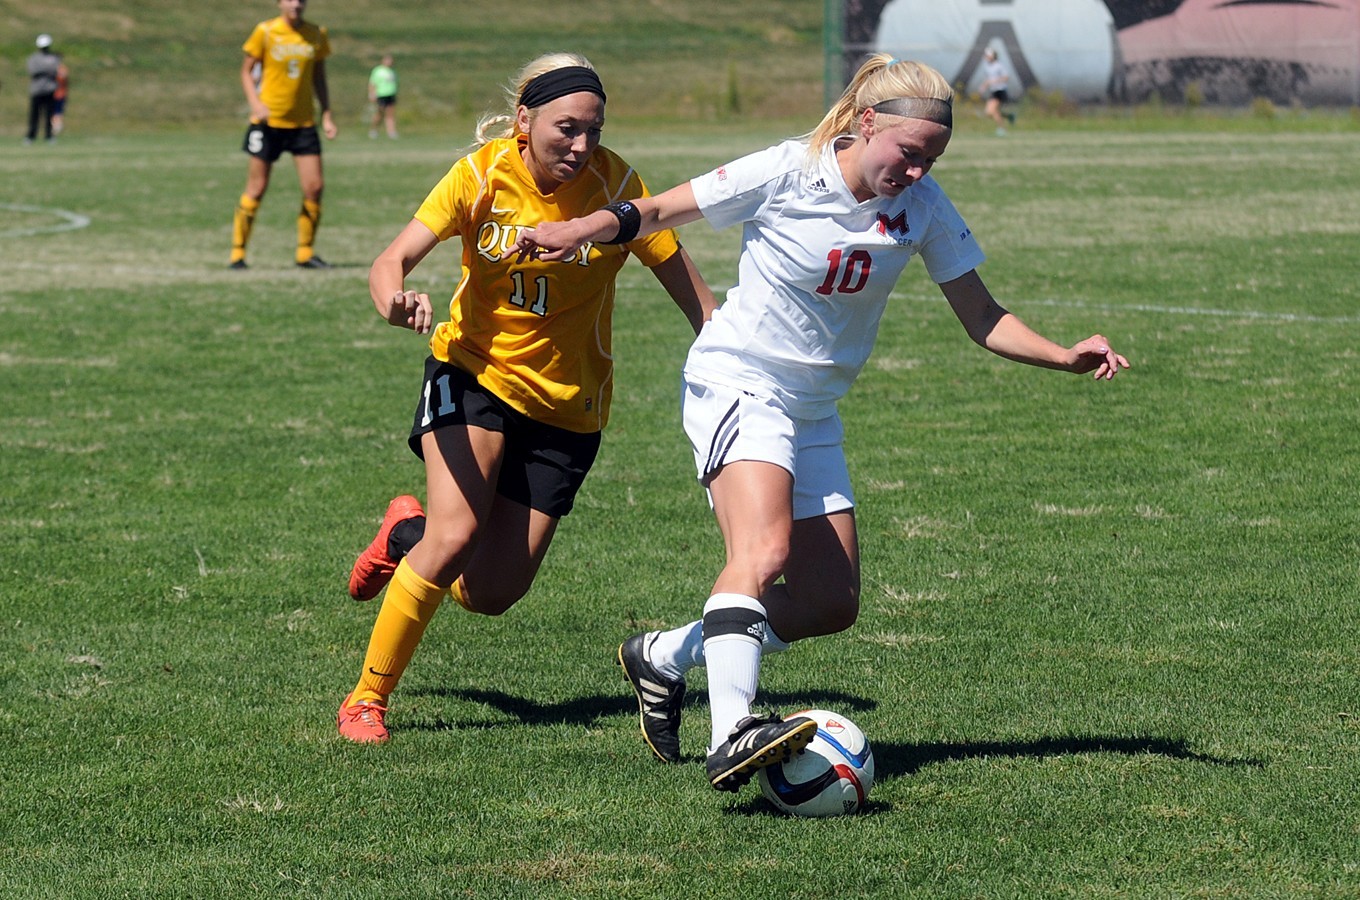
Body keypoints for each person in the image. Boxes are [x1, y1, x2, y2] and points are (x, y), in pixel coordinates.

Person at [510, 54, 1130, 793]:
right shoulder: (785, 171)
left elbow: (983, 317)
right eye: (909, 154)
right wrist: (579, 226)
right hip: (738, 379)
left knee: (828, 603)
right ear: (868, 123)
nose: (919, 173)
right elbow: (659, 211)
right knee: (763, 549)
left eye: (933, 159)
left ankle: (664, 656)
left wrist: (1063, 355)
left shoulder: (924, 210)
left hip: (811, 407)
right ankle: (733, 730)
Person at [336, 52, 718, 744]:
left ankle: (403, 535)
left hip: (568, 409)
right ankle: (367, 698)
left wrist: (722, 344)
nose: (580, 145)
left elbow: (682, 277)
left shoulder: (616, 184)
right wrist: (392, 299)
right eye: (566, 128)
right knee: (457, 536)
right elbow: (392, 260)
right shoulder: (481, 174)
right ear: (524, 120)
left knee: (490, 593)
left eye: (593, 131)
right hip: (471, 372)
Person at [229, 0, 337, 270]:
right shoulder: (265, 32)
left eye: (301, 0)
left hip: (303, 124)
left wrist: (326, 113)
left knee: (315, 187)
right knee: (256, 188)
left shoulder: (316, 34)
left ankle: (305, 253)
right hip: (268, 123)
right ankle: (238, 253)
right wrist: (255, 103)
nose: (296, 4)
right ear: (280, 2)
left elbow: (319, 77)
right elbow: (245, 71)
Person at [25, 34, 60, 145]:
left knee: (49, 115)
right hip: (37, 90)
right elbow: (33, 71)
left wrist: (44, 70)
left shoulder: (53, 57)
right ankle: (31, 136)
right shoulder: (34, 58)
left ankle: (49, 136)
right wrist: (47, 69)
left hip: (49, 90)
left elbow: (55, 70)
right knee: (34, 115)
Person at [980, 48, 1016, 135]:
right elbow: (989, 79)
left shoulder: (999, 66)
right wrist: (984, 86)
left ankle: (1002, 129)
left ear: (993, 56)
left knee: (992, 111)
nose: (986, 57)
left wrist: (994, 81)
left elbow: (1006, 77)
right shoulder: (987, 67)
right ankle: (1009, 116)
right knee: (988, 113)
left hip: (1000, 90)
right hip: (994, 91)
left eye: (988, 55)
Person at [368, 54, 398, 139]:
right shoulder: (378, 71)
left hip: (390, 94)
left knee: (390, 114)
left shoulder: (392, 71)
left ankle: (391, 132)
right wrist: (372, 94)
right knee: (380, 113)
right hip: (381, 95)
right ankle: (373, 130)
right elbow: (372, 83)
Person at [51, 57, 69, 136]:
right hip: (51, 95)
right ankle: (54, 127)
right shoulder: (51, 68)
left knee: (58, 112)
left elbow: (63, 78)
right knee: (52, 113)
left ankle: (56, 128)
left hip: (60, 95)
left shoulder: (62, 69)